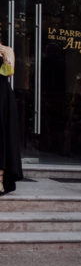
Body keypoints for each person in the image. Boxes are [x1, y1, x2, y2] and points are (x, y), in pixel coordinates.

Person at [0, 42, 23, 196]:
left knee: (2, 135)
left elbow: (9, 73)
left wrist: (5, 58)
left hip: (2, 97)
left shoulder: (8, 50)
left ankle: (0, 180)